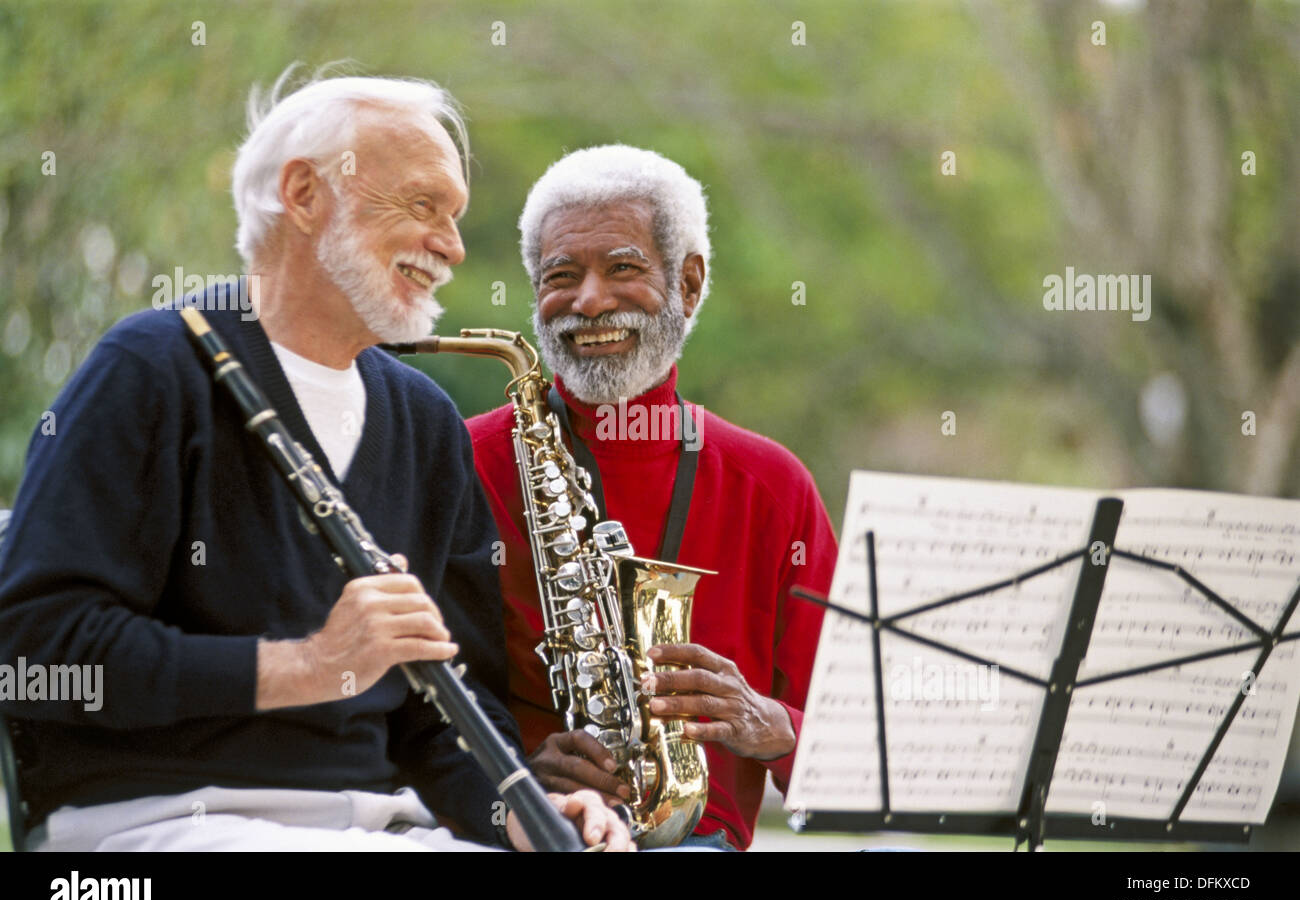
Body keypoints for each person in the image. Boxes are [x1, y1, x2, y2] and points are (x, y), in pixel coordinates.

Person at [0, 70, 629, 852]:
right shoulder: (149, 368)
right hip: (161, 827)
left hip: (382, 828)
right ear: (303, 195)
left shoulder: (426, 422)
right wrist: (306, 664)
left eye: (457, 217)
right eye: (422, 205)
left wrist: (521, 809)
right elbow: (32, 649)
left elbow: (444, 715)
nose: (454, 246)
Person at [466, 145, 838, 850]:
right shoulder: (460, 460)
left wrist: (772, 725)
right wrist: (509, 772)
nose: (589, 301)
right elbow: (404, 711)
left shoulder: (773, 484)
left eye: (623, 267)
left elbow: (859, 760)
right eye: (561, 277)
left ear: (690, 284)